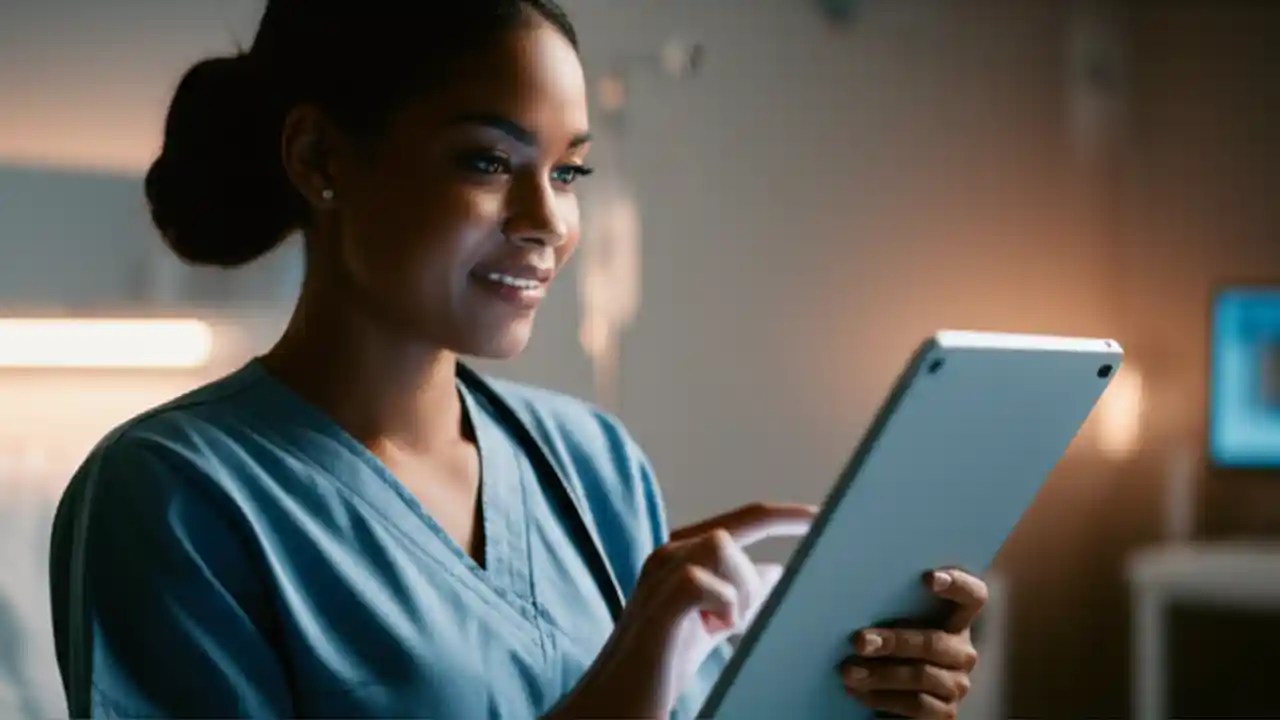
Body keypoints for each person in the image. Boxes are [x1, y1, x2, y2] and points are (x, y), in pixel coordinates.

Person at [47, 1, 987, 717]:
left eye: (568, 171)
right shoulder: (175, 495)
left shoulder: (594, 465)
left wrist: (859, 692)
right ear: (320, 157)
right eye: (488, 163)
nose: (548, 222)